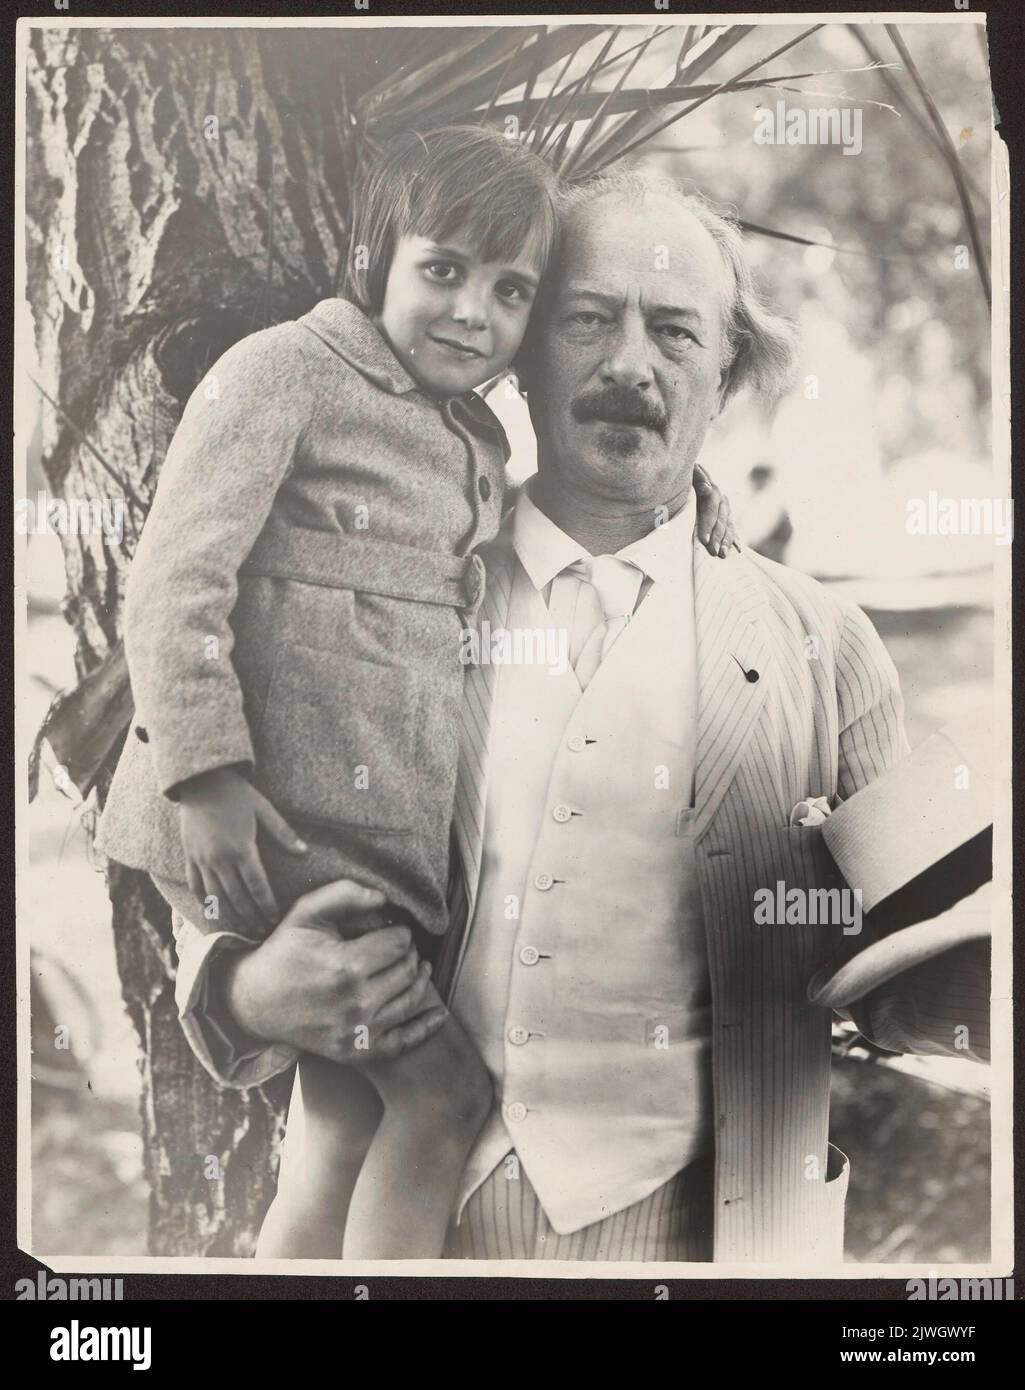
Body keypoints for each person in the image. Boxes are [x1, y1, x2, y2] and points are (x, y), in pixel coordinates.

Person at [95, 134, 736, 1260]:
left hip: (362, 845)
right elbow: (175, 575)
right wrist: (205, 774)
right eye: (442, 270)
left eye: (508, 292)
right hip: (267, 816)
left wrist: (699, 503)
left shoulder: (476, 441)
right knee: (438, 1098)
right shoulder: (283, 370)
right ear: (373, 255)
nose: (469, 314)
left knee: (342, 1122)